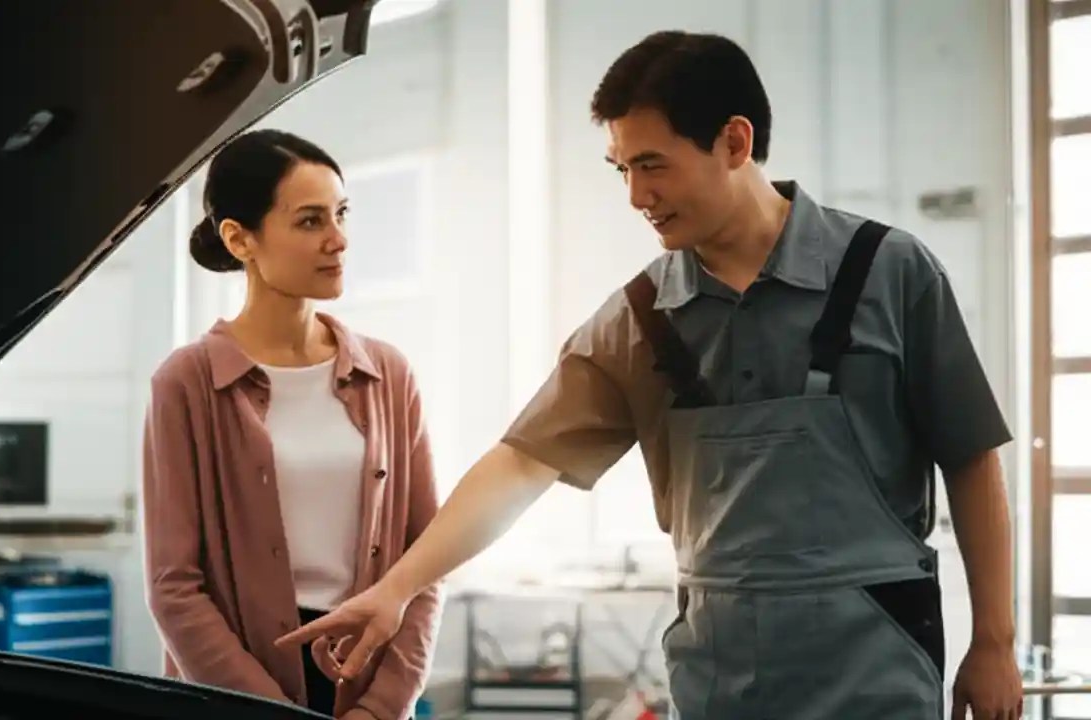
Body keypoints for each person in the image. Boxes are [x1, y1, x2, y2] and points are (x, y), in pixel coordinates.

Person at [276, 31, 1024, 720]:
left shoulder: (890, 272)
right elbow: (522, 463)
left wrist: (993, 642)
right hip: (724, 676)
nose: (637, 196)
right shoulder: (639, 319)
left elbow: (969, 453)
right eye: (623, 170)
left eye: (653, 164)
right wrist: (397, 588)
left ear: (735, 141)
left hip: (878, 666)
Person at [141, 129, 443, 720]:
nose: (339, 240)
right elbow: (174, 588)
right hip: (234, 691)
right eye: (310, 221)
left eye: (341, 214)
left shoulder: (389, 373)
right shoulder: (186, 382)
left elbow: (425, 562)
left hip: (366, 680)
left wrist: (381, 708)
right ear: (240, 238)